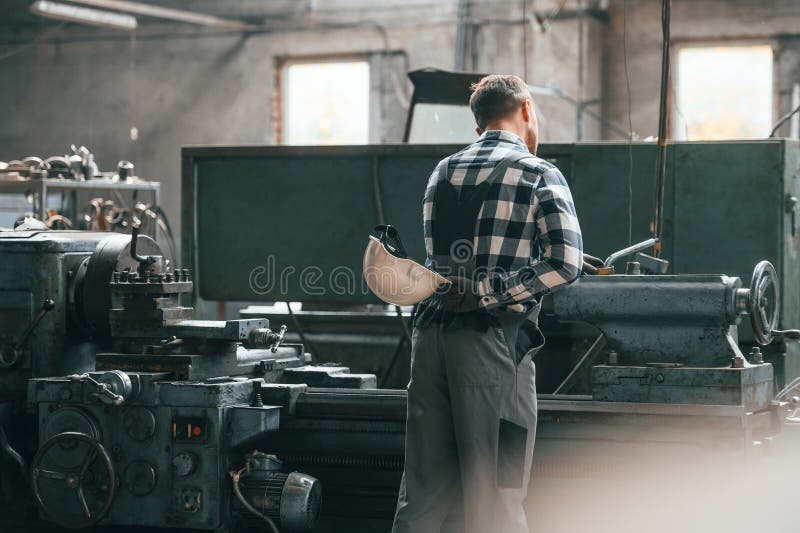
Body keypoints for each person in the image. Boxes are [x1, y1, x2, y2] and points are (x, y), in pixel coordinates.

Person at [392, 74, 583, 533]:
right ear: (527, 109)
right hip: (492, 345)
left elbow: (443, 262)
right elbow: (566, 264)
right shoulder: (539, 173)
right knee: (497, 488)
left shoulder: (442, 171)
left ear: (478, 124)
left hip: (430, 340)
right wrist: (485, 293)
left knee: (423, 490)